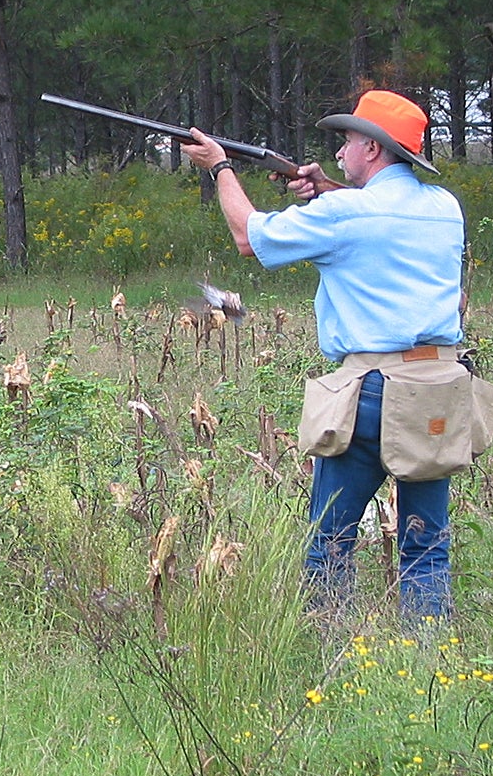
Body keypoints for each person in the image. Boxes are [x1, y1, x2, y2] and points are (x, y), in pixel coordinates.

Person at [180, 90, 468, 622]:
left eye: (351, 141)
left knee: (330, 538)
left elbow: (250, 238)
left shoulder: (345, 213)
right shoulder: (444, 208)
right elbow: (380, 220)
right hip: (438, 388)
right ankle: (432, 661)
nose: (340, 151)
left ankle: (329, 652)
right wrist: (328, 194)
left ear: (375, 152)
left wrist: (220, 166)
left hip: (372, 390)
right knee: (426, 545)